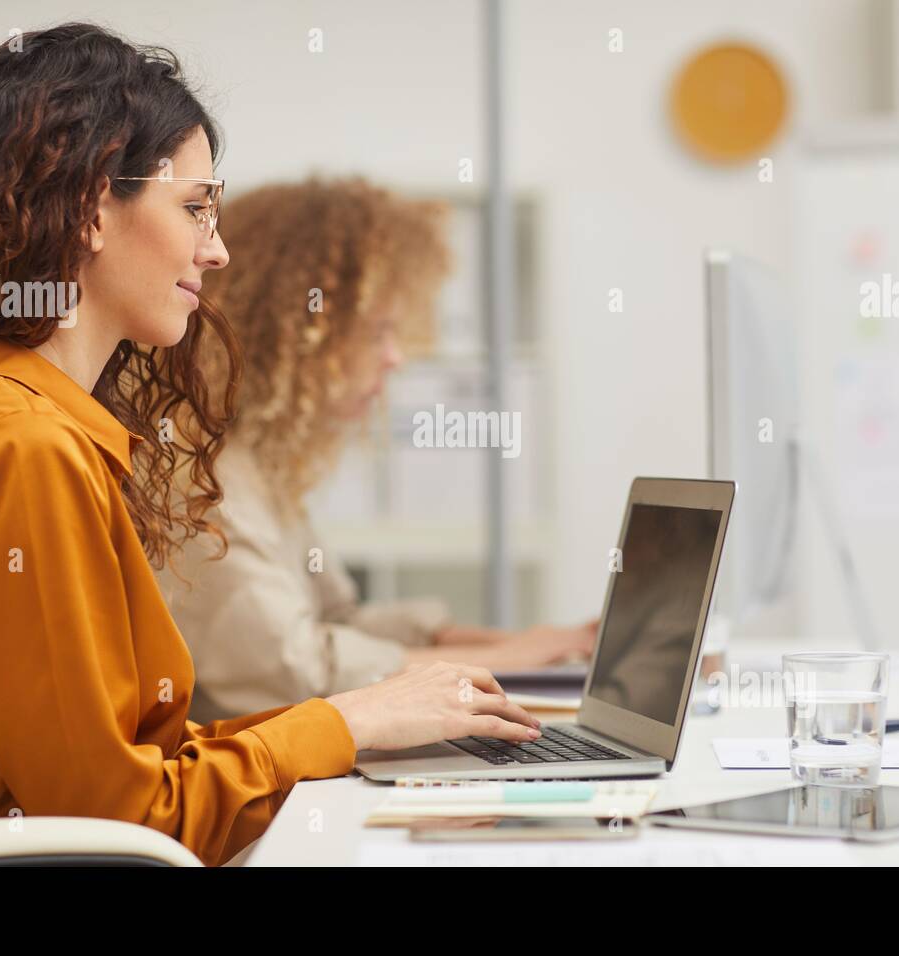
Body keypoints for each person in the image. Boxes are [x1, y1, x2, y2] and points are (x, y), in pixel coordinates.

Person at [0, 23, 539, 867]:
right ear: (95, 208)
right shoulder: (28, 447)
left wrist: (362, 728)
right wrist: (346, 723)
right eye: (195, 207)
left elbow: (126, 771)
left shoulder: (3, 414)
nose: (218, 248)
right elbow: (118, 819)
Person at [163, 177, 595, 720]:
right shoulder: (202, 475)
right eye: (376, 333)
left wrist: (463, 639)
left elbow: (335, 619)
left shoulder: (252, 461)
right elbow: (294, 671)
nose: (394, 358)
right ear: (298, 332)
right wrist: (512, 656)